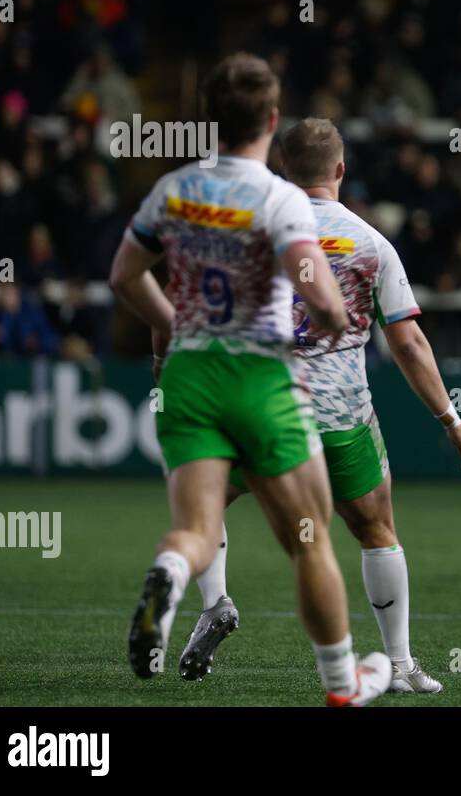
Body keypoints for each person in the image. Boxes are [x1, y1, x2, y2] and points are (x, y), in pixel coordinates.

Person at [109, 53, 390, 706]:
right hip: (261, 376)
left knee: (197, 528)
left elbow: (124, 275)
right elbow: (318, 295)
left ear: (210, 120)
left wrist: (171, 323)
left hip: (189, 376)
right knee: (310, 539)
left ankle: (170, 571)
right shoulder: (279, 198)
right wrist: (333, 317)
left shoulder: (173, 190)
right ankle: (341, 684)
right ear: (271, 121)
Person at [177, 118, 461, 693]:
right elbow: (409, 344)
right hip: (340, 413)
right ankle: (400, 664)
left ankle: (216, 602)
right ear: (341, 169)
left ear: (281, 170)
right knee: (376, 528)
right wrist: (451, 419)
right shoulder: (371, 243)